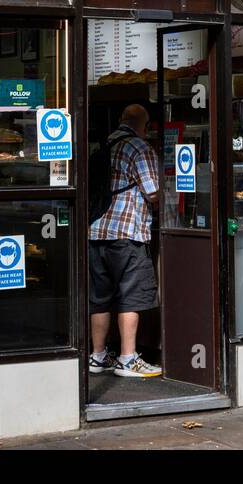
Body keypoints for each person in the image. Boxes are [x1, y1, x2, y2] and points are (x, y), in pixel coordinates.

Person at [88, 103, 163, 379]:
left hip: (96, 231)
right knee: (130, 297)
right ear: (144, 125)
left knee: (100, 298)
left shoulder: (103, 145)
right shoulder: (139, 148)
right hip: (127, 232)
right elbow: (153, 192)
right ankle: (128, 358)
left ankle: (97, 356)